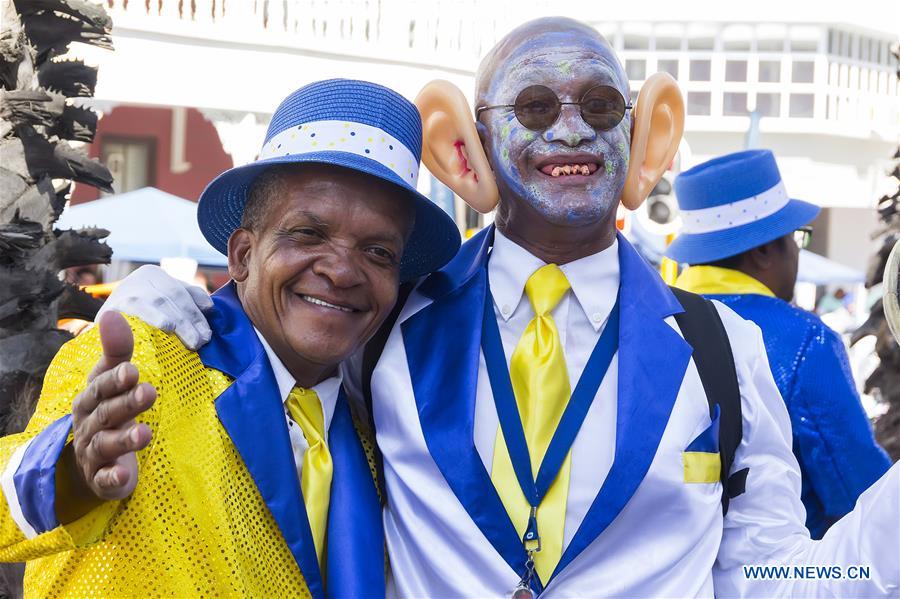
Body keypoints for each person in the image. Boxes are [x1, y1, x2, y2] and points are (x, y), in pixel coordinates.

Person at [99, 19, 899, 598]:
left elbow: (774, 575)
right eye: (537, 109)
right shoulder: (380, 321)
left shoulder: (723, 350)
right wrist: (180, 321)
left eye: (601, 106)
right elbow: (272, 359)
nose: (574, 131)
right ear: (465, 144)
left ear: (646, 136)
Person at [0, 79, 460, 598]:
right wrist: (71, 471)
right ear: (242, 254)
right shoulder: (145, 355)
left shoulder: (373, 425)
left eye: (378, 251)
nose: (341, 271)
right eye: (308, 233)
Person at [669, 150, 892, 541]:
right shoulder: (804, 338)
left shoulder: (653, 321)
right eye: (796, 238)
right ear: (764, 250)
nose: (797, 252)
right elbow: (859, 491)